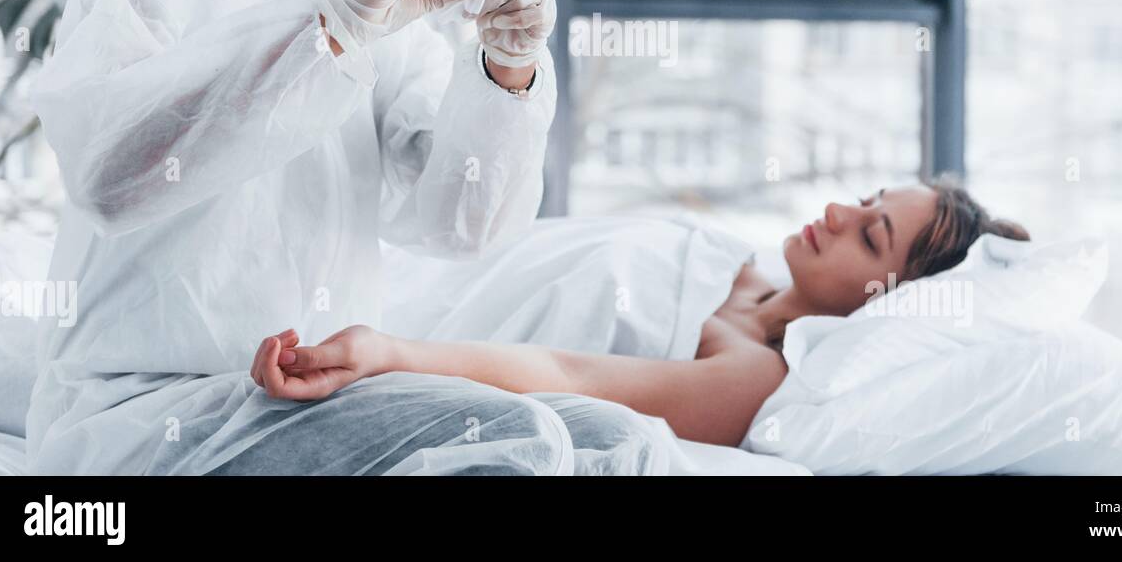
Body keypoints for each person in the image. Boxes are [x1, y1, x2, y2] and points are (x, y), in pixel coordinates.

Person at [27, 0, 654, 475]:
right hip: (142, 410)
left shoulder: (388, 5)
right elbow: (109, 176)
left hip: (315, 392)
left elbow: (456, 224)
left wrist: (507, 66)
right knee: (519, 445)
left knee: (620, 440)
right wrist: (333, 33)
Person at [254, 177, 1031, 449]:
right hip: (385, 272)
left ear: (887, 301)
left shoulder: (749, 375)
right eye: (866, 199)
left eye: (870, 233)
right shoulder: (733, 256)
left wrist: (390, 352)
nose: (836, 210)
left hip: (390, 330)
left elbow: (566, 373)